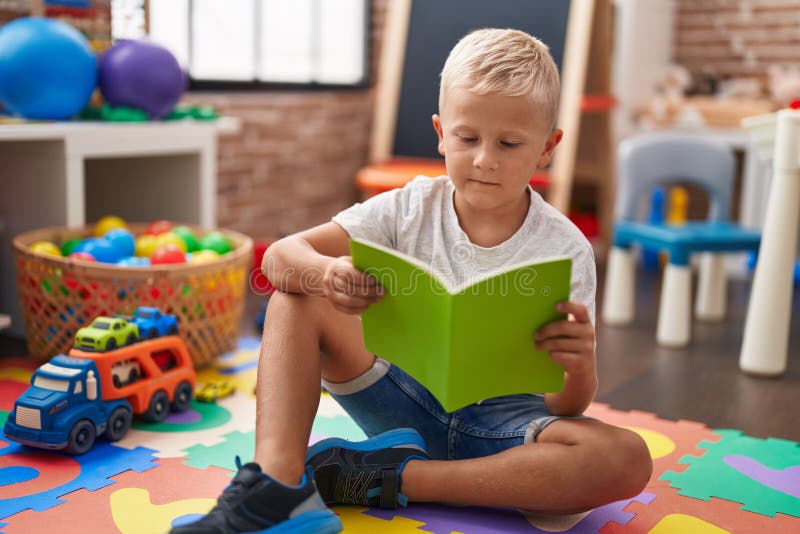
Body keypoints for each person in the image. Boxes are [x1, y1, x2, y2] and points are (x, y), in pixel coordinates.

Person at [172, 28, 652, 534]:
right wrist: (328, 272)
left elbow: (568, 408)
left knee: (627, 458)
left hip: (510, 431)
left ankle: (400, 477)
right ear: (441, 132)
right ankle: (276, 485)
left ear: (547, 148)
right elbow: (282, 258)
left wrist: (578, 366)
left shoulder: (568, 248)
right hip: (400, 401)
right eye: (467, 139)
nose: (485, 159)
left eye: (510, 143)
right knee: (297, 293)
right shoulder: (408, 206)